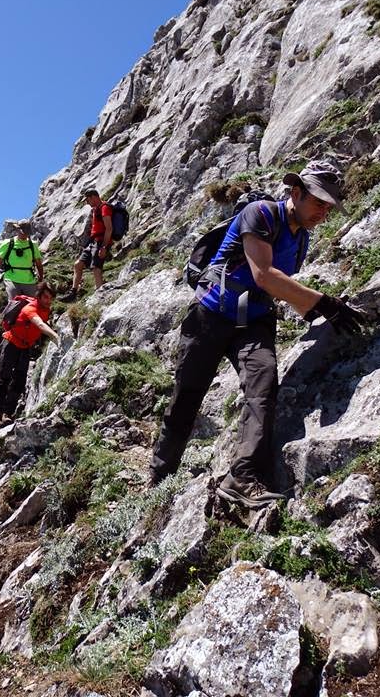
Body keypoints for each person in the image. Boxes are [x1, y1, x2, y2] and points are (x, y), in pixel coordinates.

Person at [150, 161, 368, 508]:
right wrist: (325, 304)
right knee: (186, 399)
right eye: (318, 202)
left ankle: (242, 476)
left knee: (262, 385)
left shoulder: (302, 240)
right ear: (295, 192)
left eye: (329, 206)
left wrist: (321, 318)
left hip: (253, 320)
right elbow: (264, 275)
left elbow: (281, 288)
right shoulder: (260, 213)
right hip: (210, 314)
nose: (323, 212)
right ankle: (159, 479)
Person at [0, 282, 60, 424]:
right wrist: (56, 337)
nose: (48, 300)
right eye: (45, 297)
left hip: (25, 347)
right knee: (3, 379)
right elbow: (39, 324)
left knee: (19, 382)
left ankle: (7, 413)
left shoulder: (46, 309)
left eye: (50, 298)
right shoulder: (30, 308)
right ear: (39, 296)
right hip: (11, 343)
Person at [60, 189, 112, 302]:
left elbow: (109, 229)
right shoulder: (95, 209)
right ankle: (73, 292)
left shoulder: (104, 207)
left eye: (88, 200)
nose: (87, 203)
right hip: (93, 242)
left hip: (101, 242)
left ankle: (100, 295)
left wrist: (104, 246)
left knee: (96, 268)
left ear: (93, 197)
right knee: (78, 264)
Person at [0, 221, 45, 300]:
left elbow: (39, 264)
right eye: (23, 232)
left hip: (30, 281)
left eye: (27, 233)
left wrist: (40, 279)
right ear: (17, 230)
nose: (25, 235)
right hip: (11, 279)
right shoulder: (8, 243)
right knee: (14, 304)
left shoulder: (33, 245)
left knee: (33, 306)